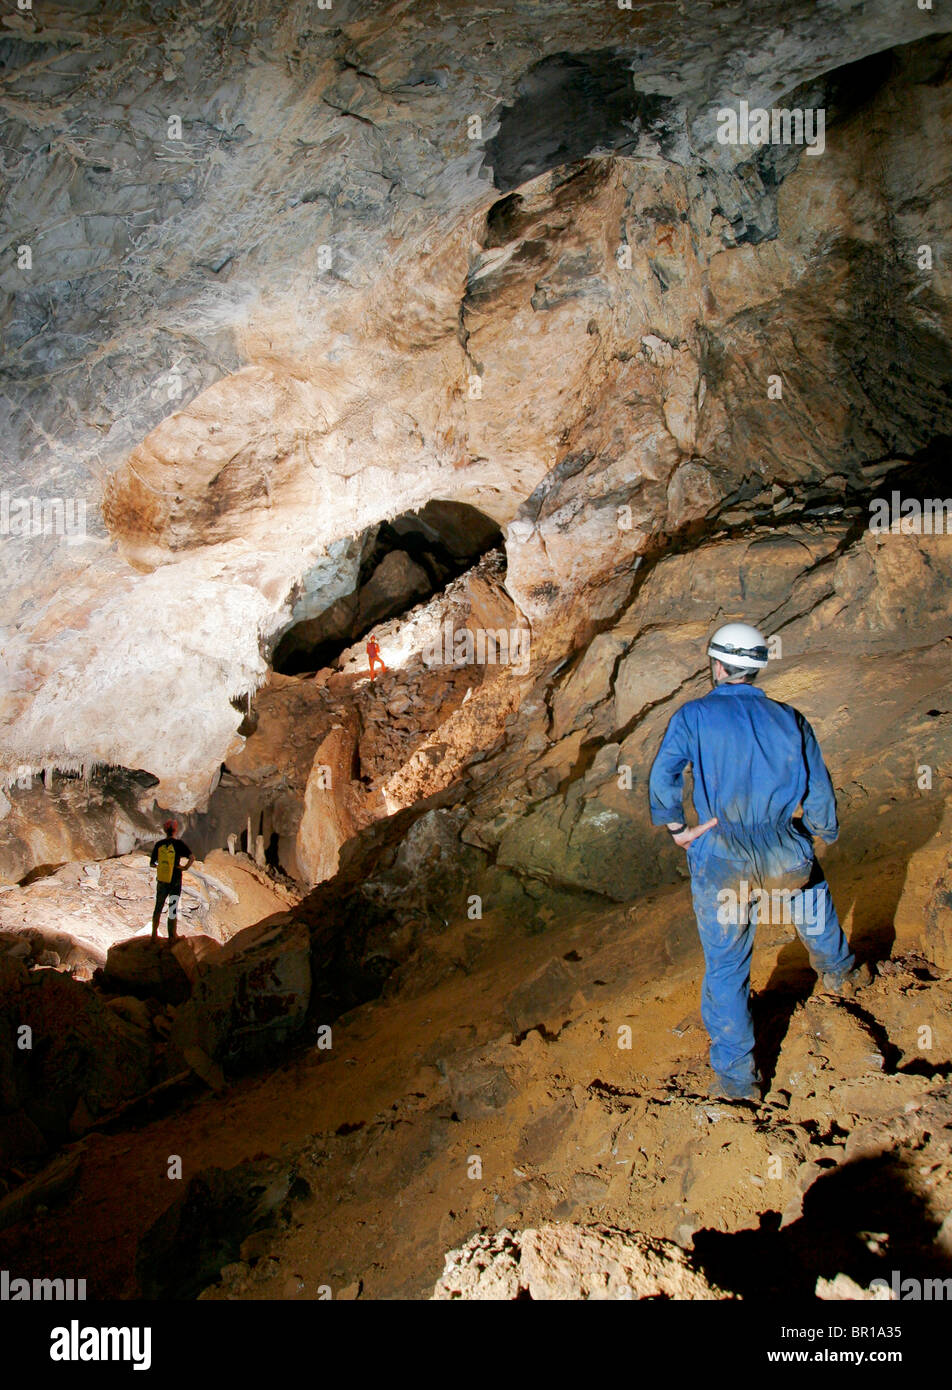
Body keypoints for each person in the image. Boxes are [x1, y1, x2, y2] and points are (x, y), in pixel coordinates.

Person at [648, 622, 868, 1102]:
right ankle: (840, 972)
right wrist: (815, 833)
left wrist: (677, 827)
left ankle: (737, 1080)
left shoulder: (694, 716)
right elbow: (818, 788)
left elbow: (665, 772)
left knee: (727, 965)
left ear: (718, 664)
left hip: (723, 855)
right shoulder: (791, 717)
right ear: (758, 667)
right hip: (779, 847)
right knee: (808, 884)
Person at [149, 819, 194, 942]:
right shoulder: (179, 844)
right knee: (173, 906)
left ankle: (154, 934)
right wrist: (184, 867)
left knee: (158, 906)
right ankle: (172, 935)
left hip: (163, 879)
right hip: (175, 879)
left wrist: (162, 867)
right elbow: (192, 857)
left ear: (164, 830)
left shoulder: (159, 844)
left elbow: (152, 864)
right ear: (175, 830)